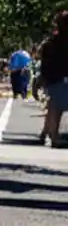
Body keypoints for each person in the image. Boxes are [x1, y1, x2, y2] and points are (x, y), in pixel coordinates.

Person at [37, 12, 68, 147]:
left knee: (54, 106)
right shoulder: (62, 41)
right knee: (56, 108)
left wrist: (42, 77)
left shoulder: (51, 41)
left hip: (52, 77)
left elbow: (43, 59)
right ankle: (54, 137)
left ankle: (46, 132)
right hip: (61, 77)